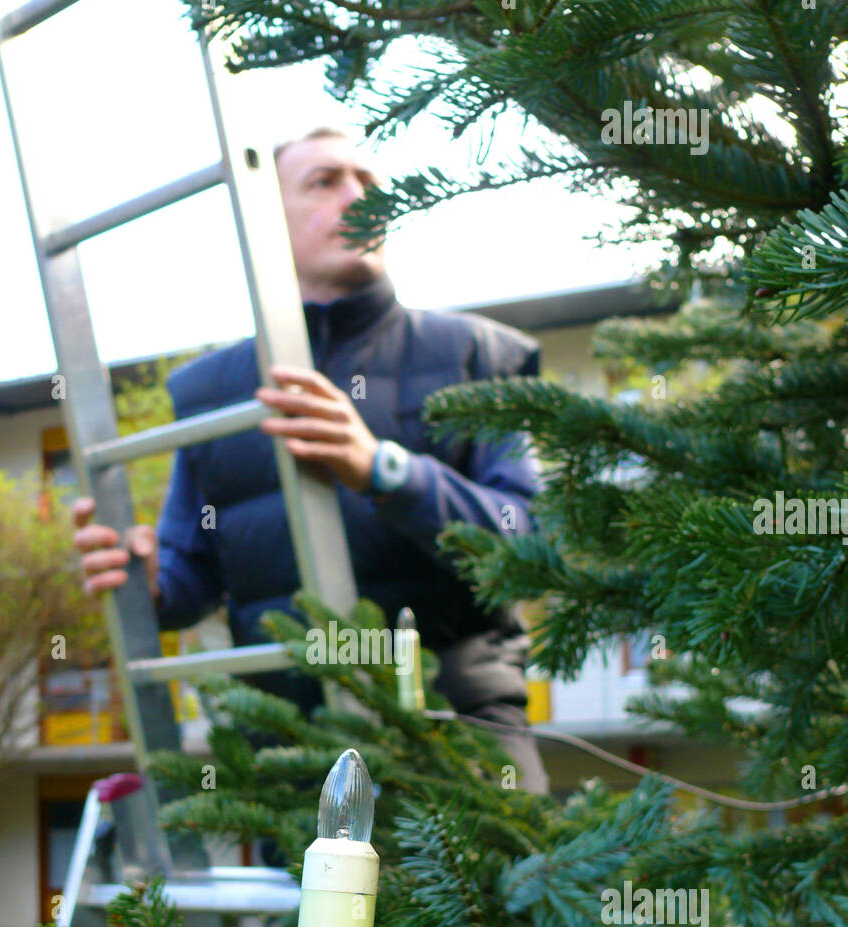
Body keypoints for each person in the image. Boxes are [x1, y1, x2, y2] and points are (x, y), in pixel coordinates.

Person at [74, 128, 548, 793]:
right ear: (265, 221)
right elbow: (191, 575)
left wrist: (387, 472)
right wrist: (145, 585)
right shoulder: (213, 393)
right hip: (292, 768)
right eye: (324, 181)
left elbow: (533, 543)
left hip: (465, 749)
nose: (359, 197)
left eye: (368, 181)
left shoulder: (480, 358)